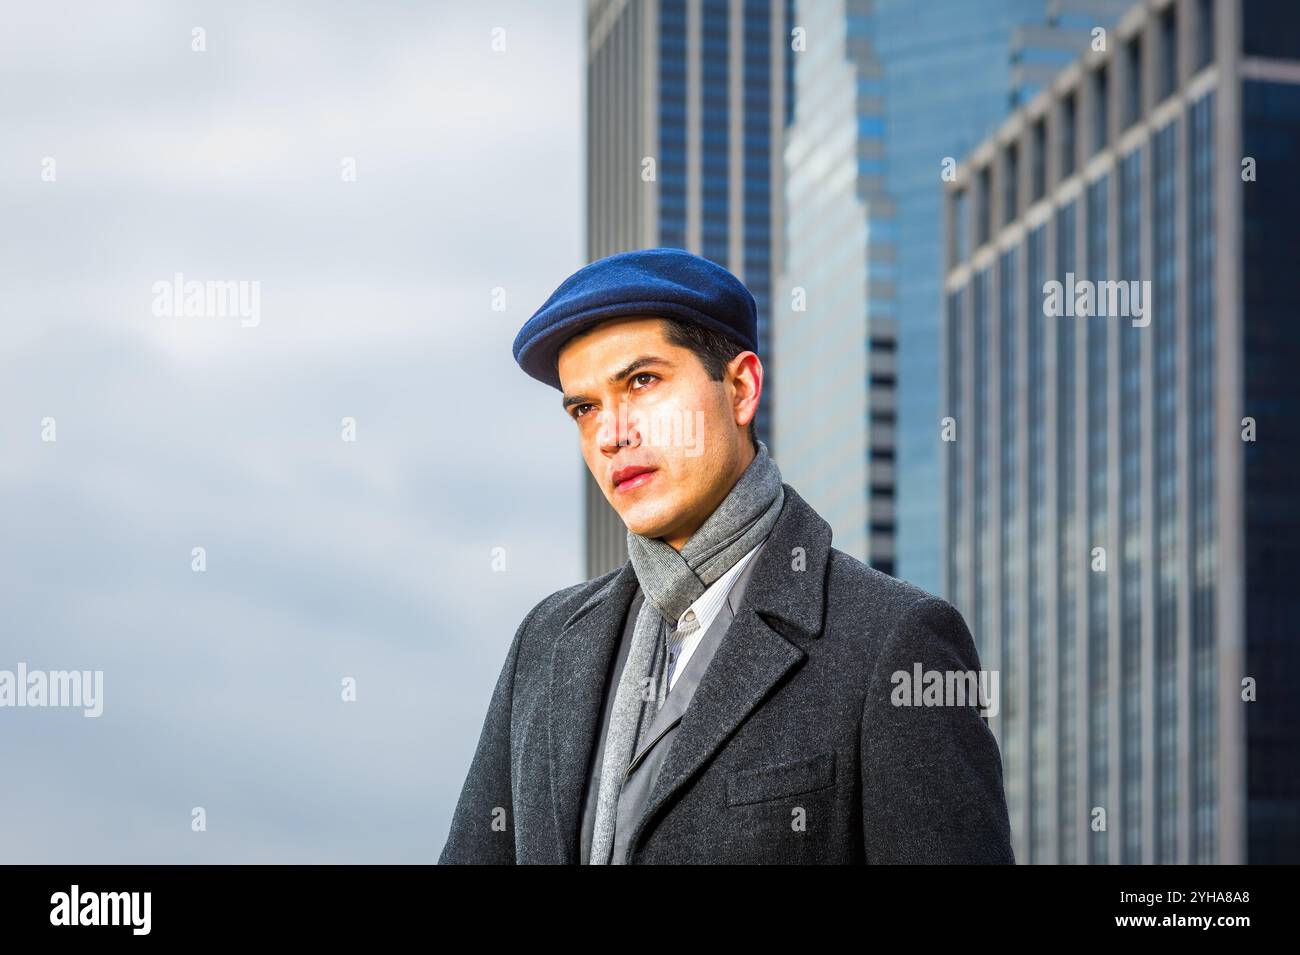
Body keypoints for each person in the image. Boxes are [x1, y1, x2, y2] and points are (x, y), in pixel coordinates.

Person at [439, 247, 1013, 864]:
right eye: (585, 408)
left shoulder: (892, 639)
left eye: (642, 382)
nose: (612, 434)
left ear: (740, 388)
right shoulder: (545, 643)